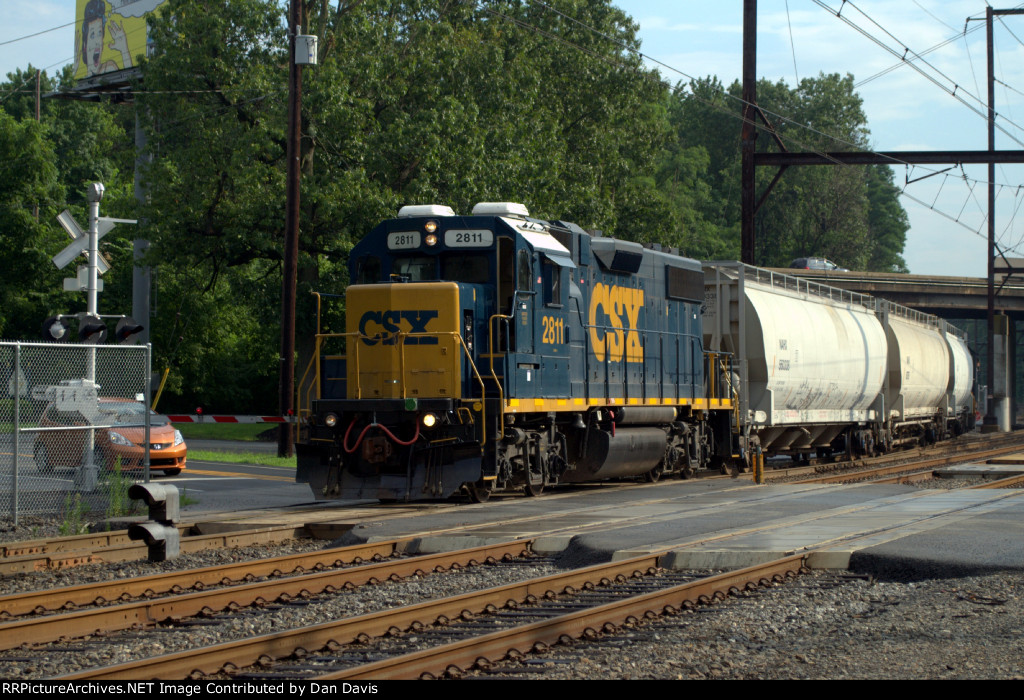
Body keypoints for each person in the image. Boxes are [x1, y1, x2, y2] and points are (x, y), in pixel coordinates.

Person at [75, 0, 133, 77]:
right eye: (92, 35)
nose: (97, 41)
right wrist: (73, 71)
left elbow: (130, 80)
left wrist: (124, 50)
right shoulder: (81, 82)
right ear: (85, 44)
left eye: (100, 33)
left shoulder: (108, 68)